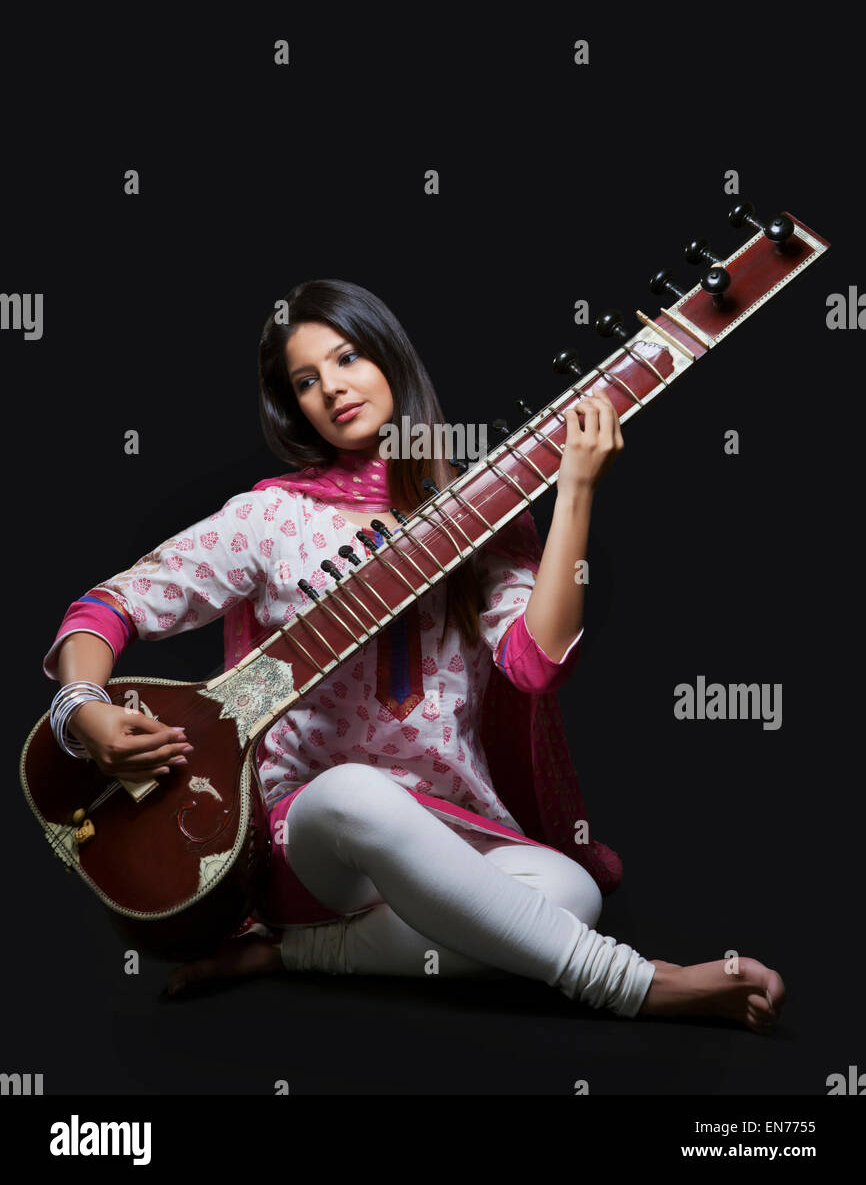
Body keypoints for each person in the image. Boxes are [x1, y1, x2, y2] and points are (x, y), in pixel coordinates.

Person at [43, 279, 784, 1031]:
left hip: (448, 837)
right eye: (306, 380)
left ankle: (293, 956)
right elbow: (109, 607)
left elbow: (535, 665)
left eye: (349, 358)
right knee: (356, 791)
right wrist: (83, 710)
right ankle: (641, 985)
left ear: (390, 360)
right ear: (292, 404)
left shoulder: (481, 510)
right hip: (316, 842)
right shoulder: (270, 519)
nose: (333, 389)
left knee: (570, 893)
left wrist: (576, 493)